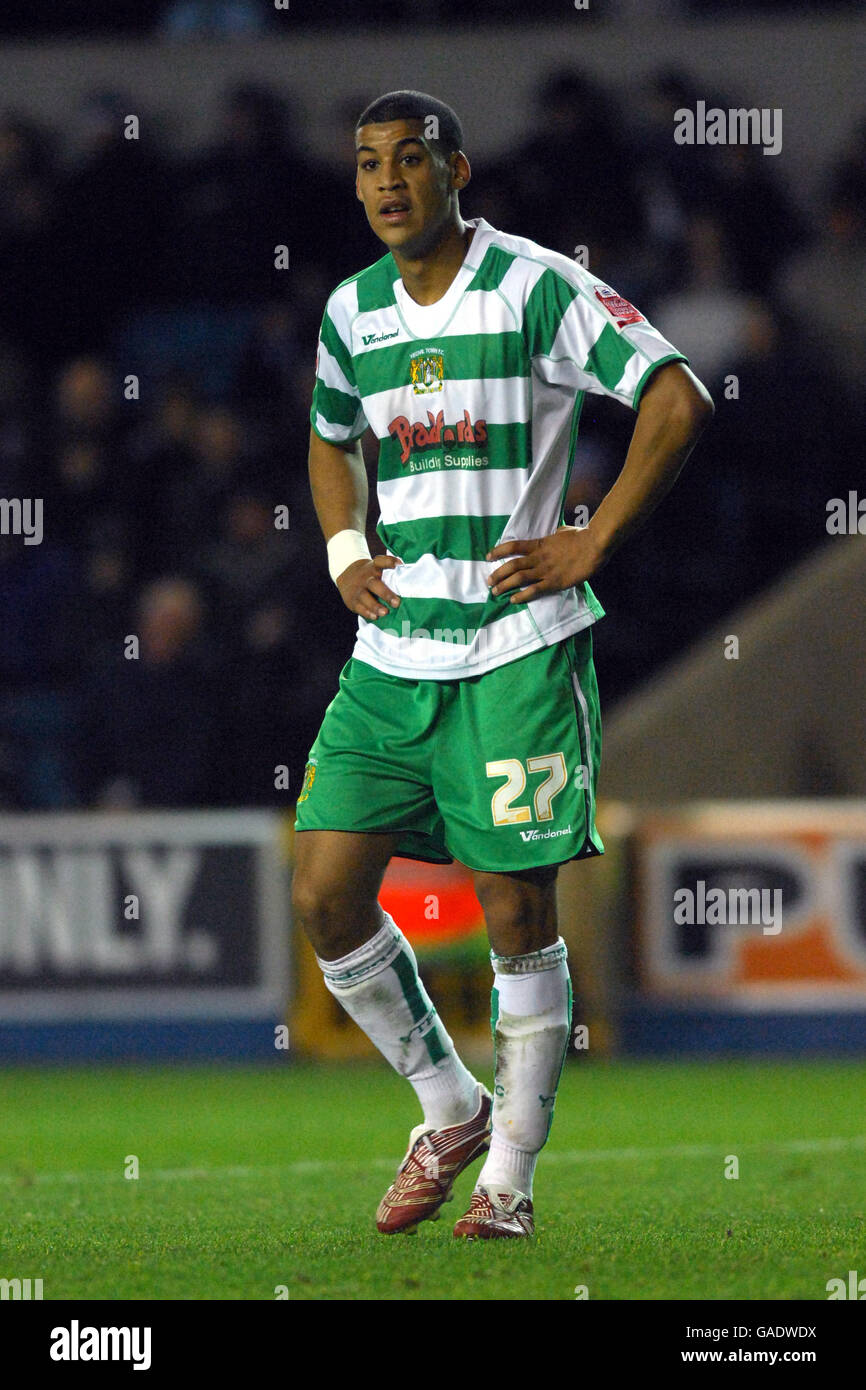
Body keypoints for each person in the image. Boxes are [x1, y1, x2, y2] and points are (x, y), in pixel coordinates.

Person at [291, 90, 714, 1239]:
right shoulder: (351, 313)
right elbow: (330, 441)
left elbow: (673, 396)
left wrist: (593, 537)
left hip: (517, 647)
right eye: (368, 162)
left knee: (513, 906)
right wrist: (342, 549)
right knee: (324, 891)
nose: (385, 181)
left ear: (456, 170)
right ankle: (448, 1103)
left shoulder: (534, 284)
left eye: (409, 160)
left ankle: (507, 1186)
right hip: (392, 648)